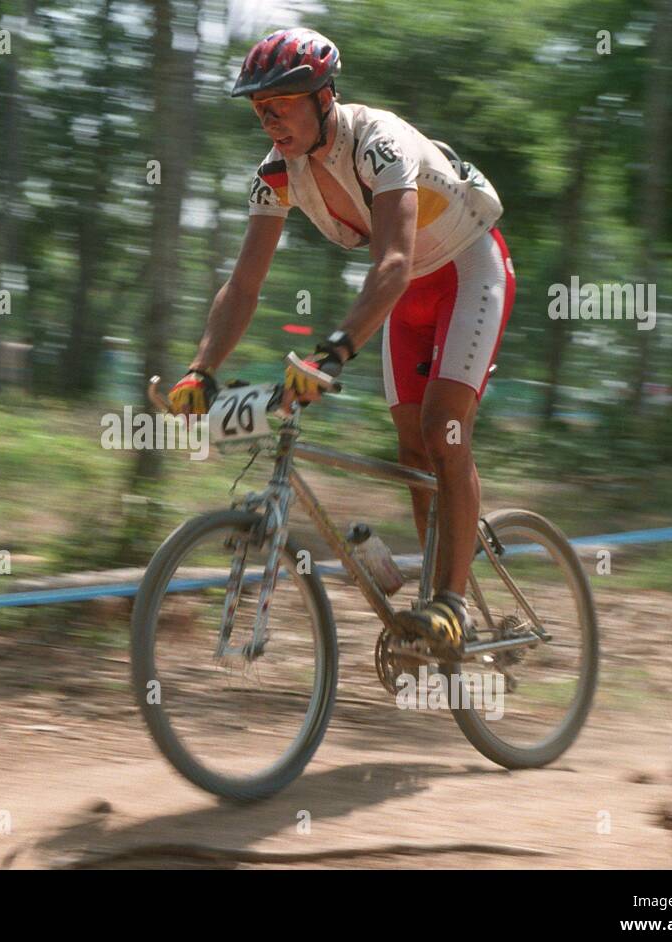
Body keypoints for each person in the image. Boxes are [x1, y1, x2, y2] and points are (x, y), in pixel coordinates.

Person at [168, 27, 515, 657]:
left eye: (280, 104)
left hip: (466, 270)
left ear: (323, 96)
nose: (268, 119)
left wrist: (333, 353)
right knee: (411, 449)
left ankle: (451, 605)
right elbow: (243, 284)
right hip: (407, 296)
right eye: (258, 108)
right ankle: (435, 598)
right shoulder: (276, 174)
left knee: (444, 431)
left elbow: (392, 264)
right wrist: (202, 369)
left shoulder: (378, 142)